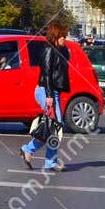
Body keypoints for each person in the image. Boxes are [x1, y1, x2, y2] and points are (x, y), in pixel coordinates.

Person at [22, 23, 72, 173]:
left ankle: (32, 152)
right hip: (45, 90)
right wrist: (49, 96)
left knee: (54, 127)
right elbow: (47, 75)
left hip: (53, 91)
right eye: (63, 36)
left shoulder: (62, 50)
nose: (65, 39)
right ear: (56, 36)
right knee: (54, 126)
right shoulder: (48, 50)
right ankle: (33, 152)